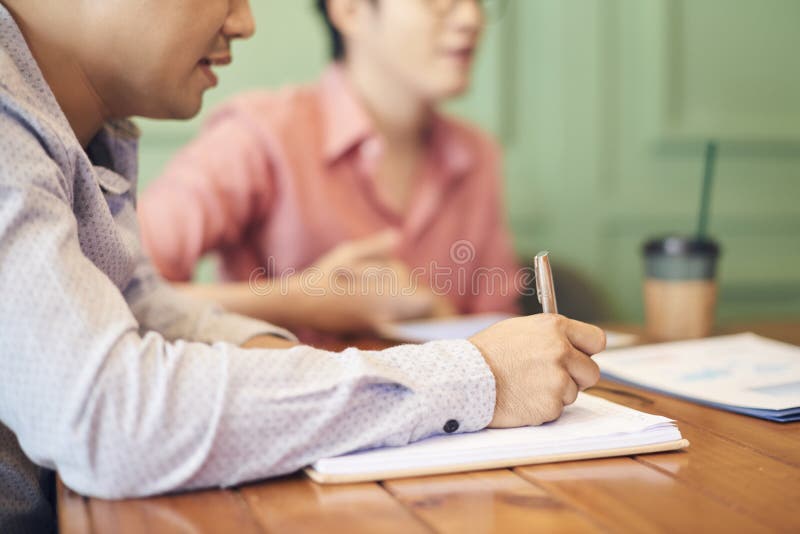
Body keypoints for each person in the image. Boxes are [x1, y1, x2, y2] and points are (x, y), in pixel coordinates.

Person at [0, 1, 604, 533]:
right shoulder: (261, 131)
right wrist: (469, 374)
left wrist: (299, 355)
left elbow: (140, 298)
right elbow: (112, 413)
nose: (247, 20)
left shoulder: (90, 131)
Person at [137, 0, 520, 335]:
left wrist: (439, 315)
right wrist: (302, 302)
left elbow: (502, 334)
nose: (471, 17)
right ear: (350, 9)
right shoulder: (260, 136)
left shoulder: (477, 155)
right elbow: (119, 292)